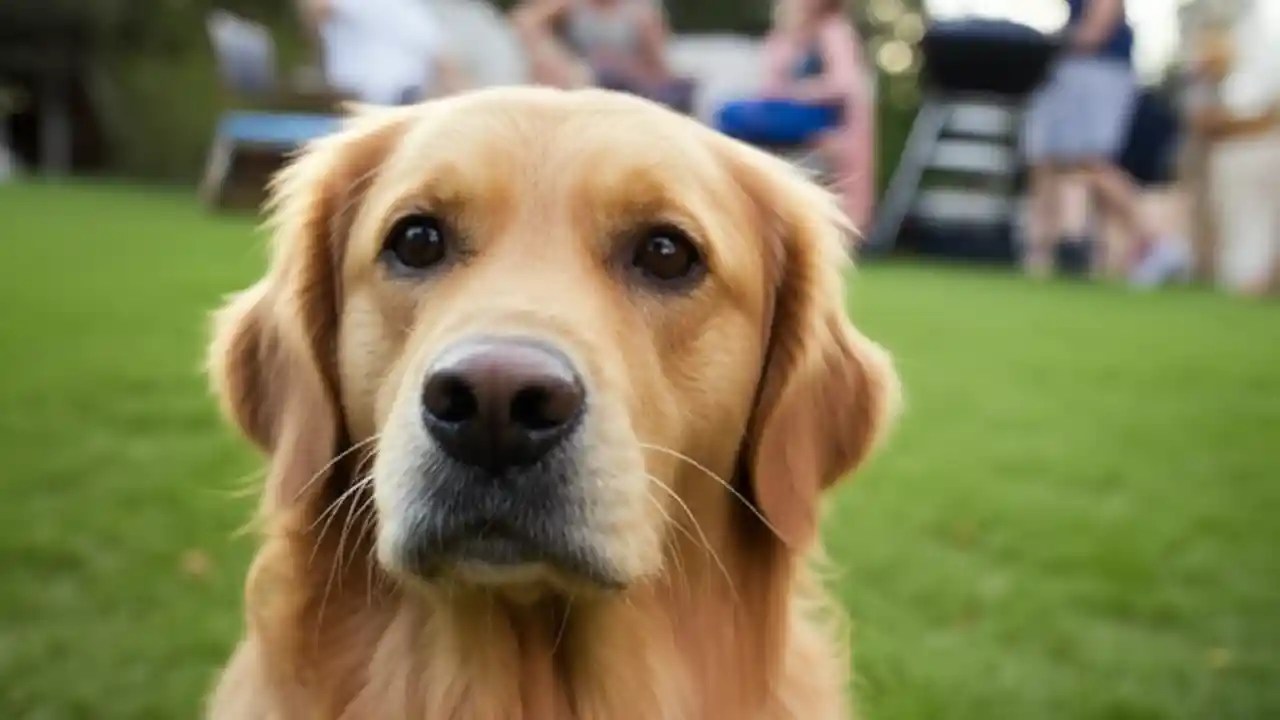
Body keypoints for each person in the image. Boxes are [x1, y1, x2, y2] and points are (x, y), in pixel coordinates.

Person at [1022, 0, 1185, 281]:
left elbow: (1096, 29)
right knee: (1050, 163)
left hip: (1097, 69)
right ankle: (1046, 255)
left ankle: (1156, 242)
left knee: (1089, 162)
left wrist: (1044, 45)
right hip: (1075, 70)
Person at [713, 0, 874, 228]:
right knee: (729, 113)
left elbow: (843, 84)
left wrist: (796, 93)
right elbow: (770, 83)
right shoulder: (790, 35)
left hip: (814, 116)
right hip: (786, 112)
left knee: (730, 116)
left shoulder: (832, 30)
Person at [509, 0, 693, 112]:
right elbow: (524, 21)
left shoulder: (641, 12)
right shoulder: (570, 5)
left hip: (626, 82)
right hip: (582, 78)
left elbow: (659, 65)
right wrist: (553, 54)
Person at [300, 0, 468, 106]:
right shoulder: (411, 9)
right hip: (370, 96)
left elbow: (443, 60)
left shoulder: (411, 9)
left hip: (390, 97)